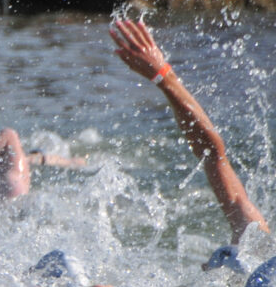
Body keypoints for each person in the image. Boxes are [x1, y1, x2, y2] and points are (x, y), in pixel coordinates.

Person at [107, 18, 267, 249]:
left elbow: (213, 155)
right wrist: (163, 76)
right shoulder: (262, 249)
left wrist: (165, 77)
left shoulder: (260, 253)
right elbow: (212, 153)